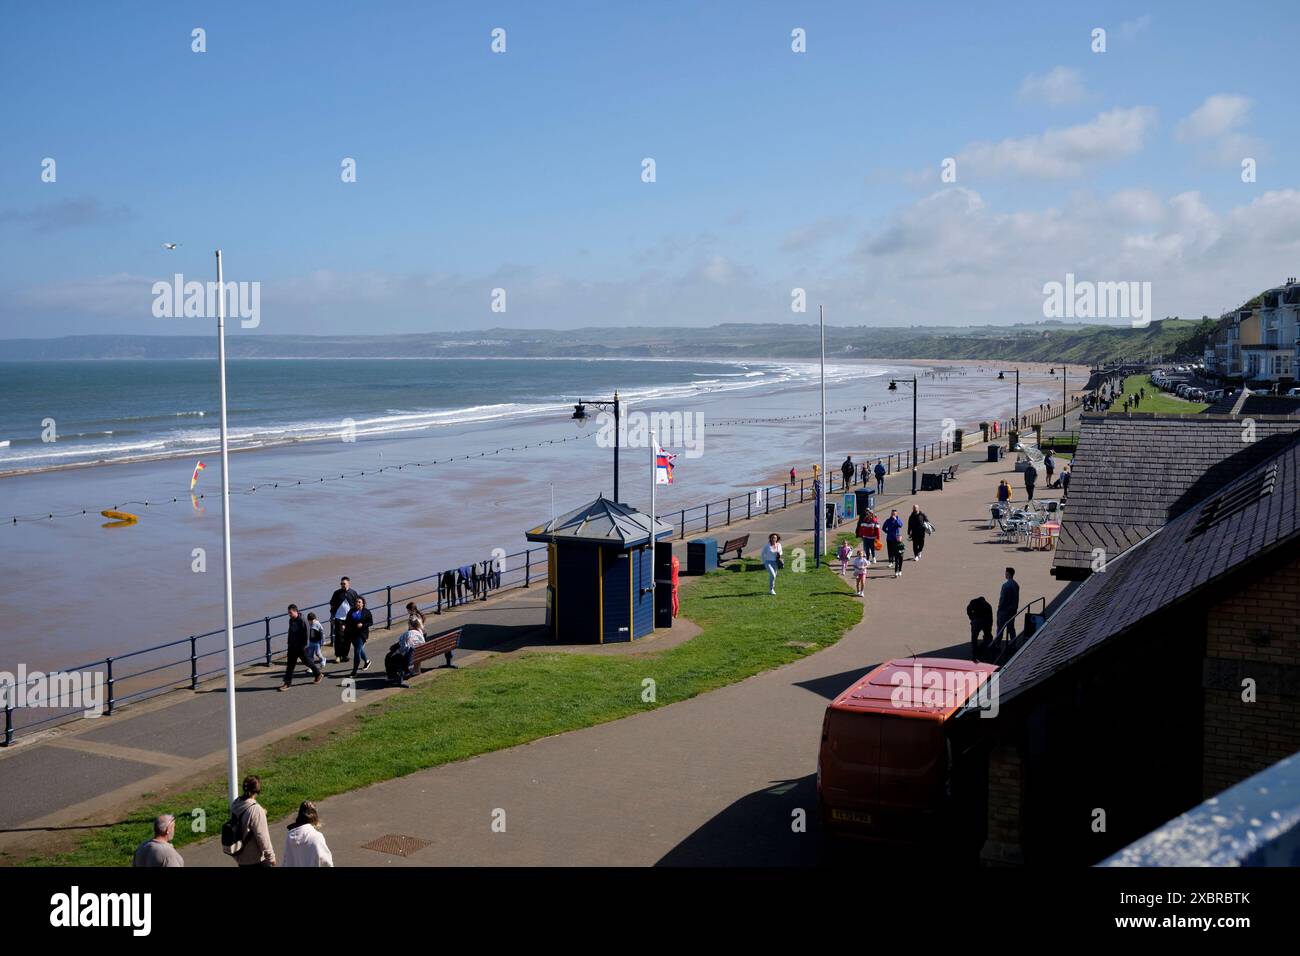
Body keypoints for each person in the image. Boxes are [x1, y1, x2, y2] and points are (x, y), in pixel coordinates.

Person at [230, 775, 276, 867]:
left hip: (241, 857)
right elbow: (262, 837)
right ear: (258, 790)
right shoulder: (255, 810)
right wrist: (271, 857)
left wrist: (261, 812)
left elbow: (244, 819)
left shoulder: (235, 804)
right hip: (255, 859)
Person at [280, 604, 323, 691]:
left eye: (290, 613)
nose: (289, 614)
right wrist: (288, 643)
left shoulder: (303, 620)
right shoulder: (291, 620)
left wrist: (305, 646)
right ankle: (287, 683)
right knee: (290, 665)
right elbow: (290, 632)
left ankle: (318, 674)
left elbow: (307, 634)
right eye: (288, 613)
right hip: (292, 646)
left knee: (307, 662)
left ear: (296, 611)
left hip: (301, 647)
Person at [283, 801, 334, 867]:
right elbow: (326, 861)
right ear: (315, 818)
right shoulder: (316, 837)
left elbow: (286, 860)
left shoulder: (289, 836)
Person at [385, 617, 425, 687]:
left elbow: (405, 647)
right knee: (392, 655)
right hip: (418, 655)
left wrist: (397, 651)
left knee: (389, 656)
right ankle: (395, 676)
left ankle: (392, 677)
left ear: (410, 625)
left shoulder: (409, 633)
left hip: (407, 658)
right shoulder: (420, 633)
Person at [329, 576, 359, 664]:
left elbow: (357, 605)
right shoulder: (337, 593)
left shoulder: (353, 593)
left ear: (348, 583)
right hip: (338, 618)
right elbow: (332, 604)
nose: (342, 585)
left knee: (348, 638)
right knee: (338, 638)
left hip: (350, 620)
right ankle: (338, 656)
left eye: (344, 584)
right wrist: (332, 616)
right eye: (341, 584)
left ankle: (345, 655)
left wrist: (357, 617)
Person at [346, 595, 374, 677]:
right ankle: (367, 661)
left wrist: (363, 624)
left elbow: (370, 622)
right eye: (356, 602)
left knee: (357, 652)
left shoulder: (366, 612)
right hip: (353, 634)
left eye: (359, 602)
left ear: (363, 604)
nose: (357, 603)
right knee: (359, 649)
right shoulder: (351, 611)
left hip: (362, 635)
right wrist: (344, 626)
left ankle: (354, 672)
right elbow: (347, 620)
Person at [997, 568, 1020, 646]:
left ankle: (997, 644)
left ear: (1009, 574)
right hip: (1013, 610)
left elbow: (1002, 599)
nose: (1005, 574)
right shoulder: (1016, 585)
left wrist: (999, 609)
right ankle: (1013, 644)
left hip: (1004, 610)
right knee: (1011, 628)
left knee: (1000, 628)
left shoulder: (1005, 585)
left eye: (1006, 573)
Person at [966, 596, 994, 662]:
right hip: (983, 621)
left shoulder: (973, 603)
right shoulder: (987, 606)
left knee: (974, 638)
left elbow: (968, 609)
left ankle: (975, 654)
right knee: (988, 636)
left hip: (977, 621)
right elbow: (990, 619)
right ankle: (985, 652)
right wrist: (989, 629)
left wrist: (972, 618)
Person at [882, 509, 905, 578]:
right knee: (890, 550)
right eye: (892, 514)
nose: (893, 515)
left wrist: (896, 520)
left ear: (896, 514)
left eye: (894, 514)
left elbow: (901, 525)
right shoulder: (888, 520)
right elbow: (883, 528)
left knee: (896, 552)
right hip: (889, 538)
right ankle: (891, 562)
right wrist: (887, 532)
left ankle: (896, 563)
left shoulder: (898, 520)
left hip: (896, 539)